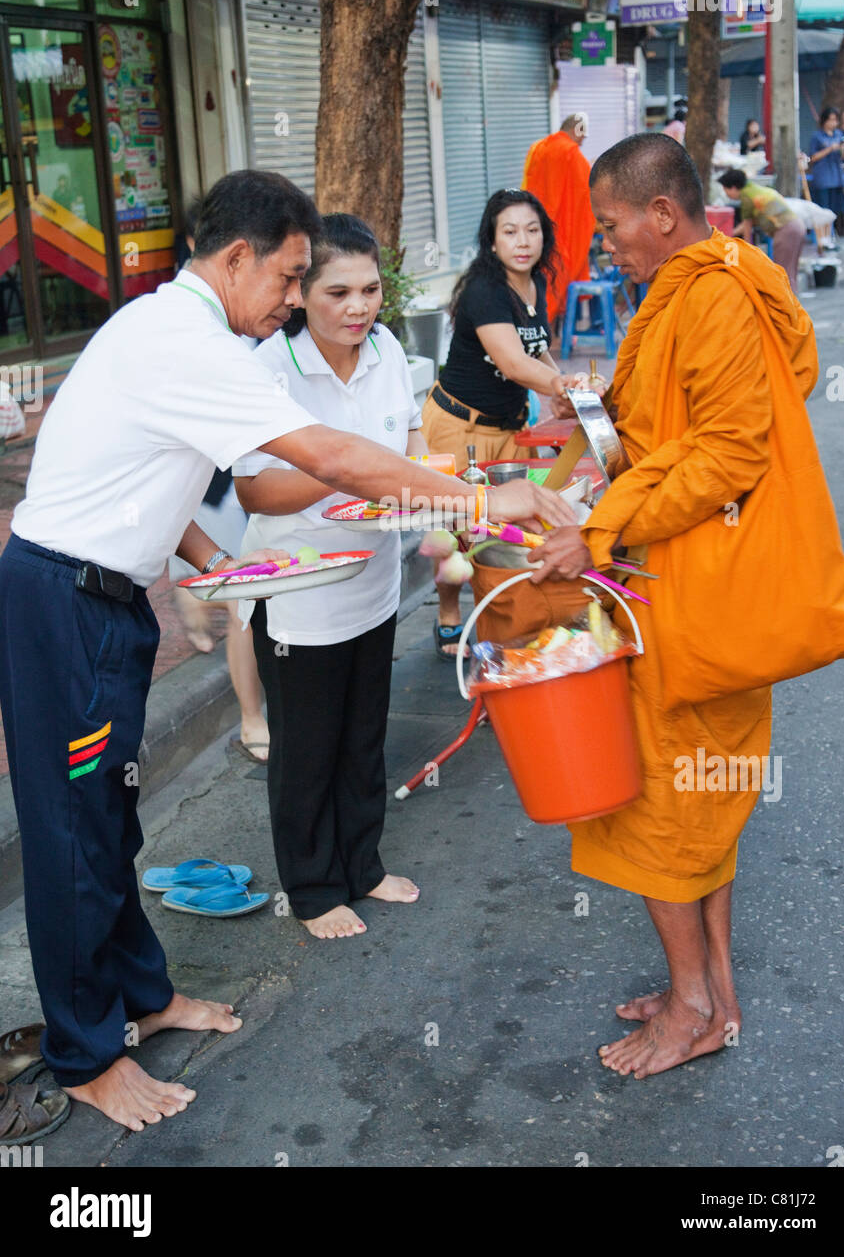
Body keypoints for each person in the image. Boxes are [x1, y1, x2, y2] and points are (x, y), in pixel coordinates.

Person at [0, 169, 573, 1137]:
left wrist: (206, 559)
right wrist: (482, 501)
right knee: (71, 836)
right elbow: (334, 458)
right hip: (66, 606)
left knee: (109, 821)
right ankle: (86, 1054)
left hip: (98, 600)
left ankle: (145, 996)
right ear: (238, 258)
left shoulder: (172, 332)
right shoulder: (186, 340)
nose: (295, 297)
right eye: (293, 275)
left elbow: (133, 463)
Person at [529, 133, 826, 1078]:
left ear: (663, 213)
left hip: (694, 589)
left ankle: (691, 1008)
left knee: (662, 799)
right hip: (683, 577)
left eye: (611, 227)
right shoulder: (710, 280)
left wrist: (602, 529)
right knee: (699, 800)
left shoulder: (714, 294)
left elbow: (731, 451)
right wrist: (584, 424)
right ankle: (715, 990)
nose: (605, 246)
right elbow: (673, 424)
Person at [234, 214, 424, 940]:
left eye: (371, 289)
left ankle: (363, 864)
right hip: (298, 592)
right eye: (338, 291)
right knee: (306, 747)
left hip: (374, 579)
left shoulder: (387, 350)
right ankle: (312, 889)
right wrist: (340, 469)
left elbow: (409, 449)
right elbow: (254, 491)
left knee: (363, 734)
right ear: (301, 293)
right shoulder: (268, 371)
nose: (358, 307)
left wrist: (424, 487)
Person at [421, 188, 581, 658]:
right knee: (454, 530)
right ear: (492, 242)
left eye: (532, 230)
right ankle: (449, 617)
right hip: (458, 427)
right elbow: (513, 364)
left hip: (511, 429)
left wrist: (558, 387)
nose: (522, 241)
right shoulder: (484, 291)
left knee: (509, 532)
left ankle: (506, 626)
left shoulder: (535, 284)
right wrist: (562, 386)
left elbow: (535, 349)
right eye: (509, 232)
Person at [169, 198, 271, 762]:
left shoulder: (267, 317)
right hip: (215, 479)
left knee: (239, 597)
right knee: (240, 602)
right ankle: (252, 716)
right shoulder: (181, 321)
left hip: (253, 475)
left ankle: (196, 600)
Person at [522, 113, 596, 321]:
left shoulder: (537, 148)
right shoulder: (570, 153)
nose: (583, 140)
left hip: (534, 226)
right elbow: (588, 189)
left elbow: (527, 185)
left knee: (537, 275)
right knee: (558, 275)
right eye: (583, 135)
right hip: (561, 230)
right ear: (576, 130)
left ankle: (536, 322)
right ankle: (550, 327)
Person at [719, 168, 807, 294]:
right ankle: (793, 304)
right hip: (797, 226)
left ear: (733, 187)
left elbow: (747, 228)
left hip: (785, 230)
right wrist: (728, 233)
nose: (727, 194)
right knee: (791, 271)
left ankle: (786, 306)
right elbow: (747, 224)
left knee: (782, 273)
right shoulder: (754, 189)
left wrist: (746, 252)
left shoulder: (746, 197)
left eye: (726, 190)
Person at [807, 106, 844, 226]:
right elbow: (812, 158)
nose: (833, 123)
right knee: (823, 210)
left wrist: (842, 149)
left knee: (835, 209)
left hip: (837, 177)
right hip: (823, 178)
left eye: (835, 120)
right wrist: (830, 149)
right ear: (824, 120)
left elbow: (842, 157)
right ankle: (824, 236)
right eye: (830, 120)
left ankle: (832, 234)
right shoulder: (817, 136)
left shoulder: (839, 134)